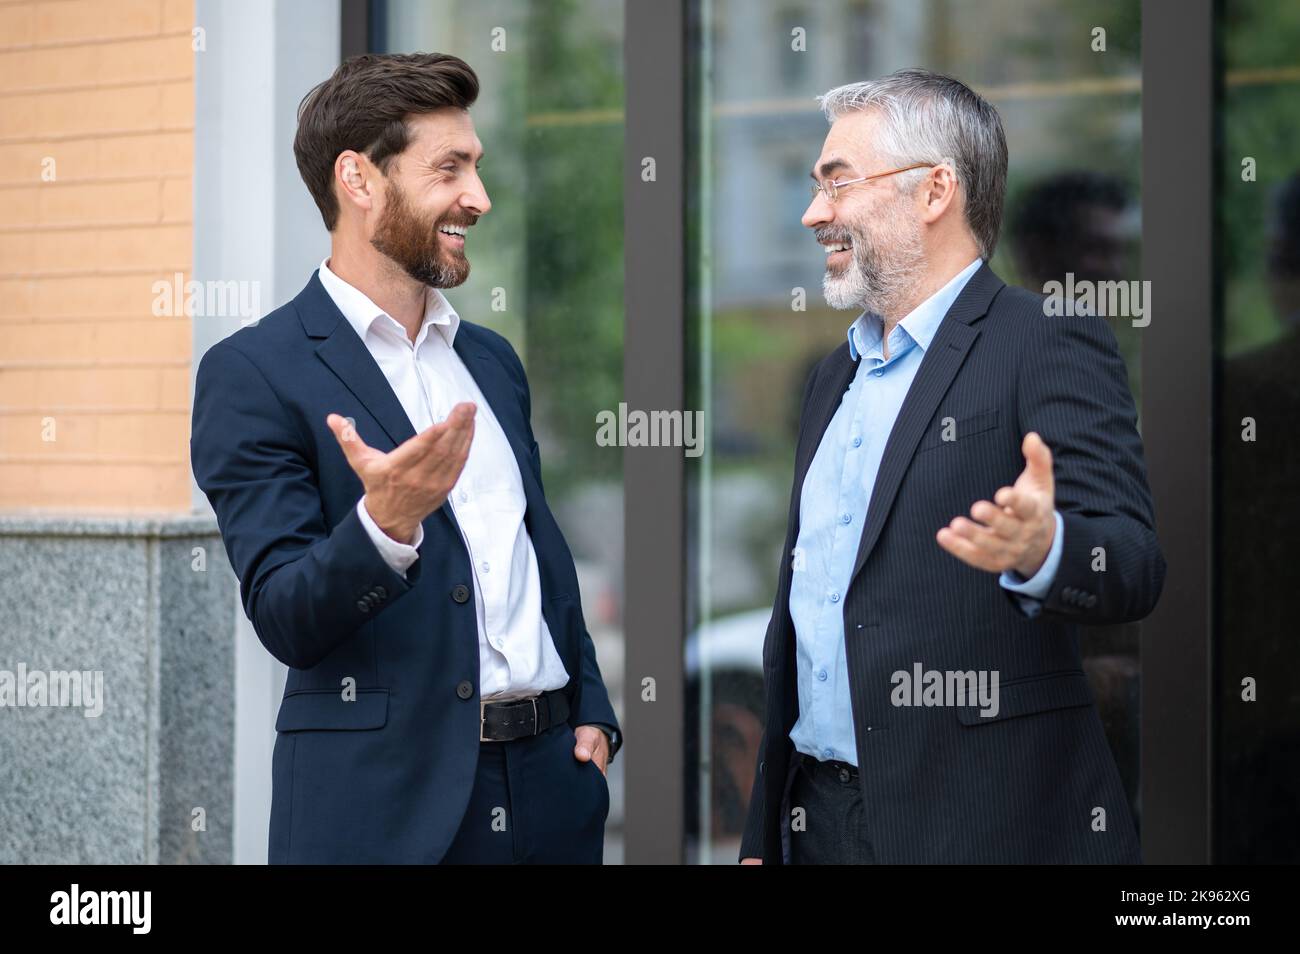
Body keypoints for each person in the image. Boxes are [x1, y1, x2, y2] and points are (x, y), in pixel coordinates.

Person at [191, 52, 620, 864]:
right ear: (359, 180)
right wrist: (383, 526)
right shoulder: (253, 372)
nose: (479, 198)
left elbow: (535, 549)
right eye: (449, 168)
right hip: (386, 817)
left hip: (550, 793)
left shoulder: (490, 360)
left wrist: (591, 713)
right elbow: (285, 614)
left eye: (478, 167)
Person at [739, 68, 1165, 864]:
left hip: (981, 825)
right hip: (819, 821)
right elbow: (807, 618)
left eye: (837, 183)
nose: (813, 213)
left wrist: (1045, 551)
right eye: (813, 186)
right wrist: (769, 827)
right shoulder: (835, 376)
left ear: (935, 192)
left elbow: (1132, 564)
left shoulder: (1044, 340)